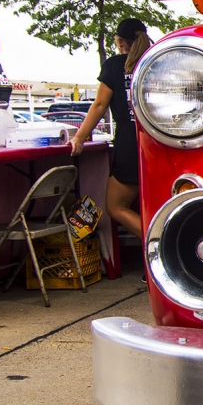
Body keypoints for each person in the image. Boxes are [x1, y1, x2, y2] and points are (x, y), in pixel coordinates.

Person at [71, 18, 152, 240]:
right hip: (160, 143)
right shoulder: (157, 60)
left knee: (116, 207)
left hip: (130, 144)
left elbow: (99, 105)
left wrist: (79, 136)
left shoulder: (115, 65)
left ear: (120, 42)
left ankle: (161, 247)